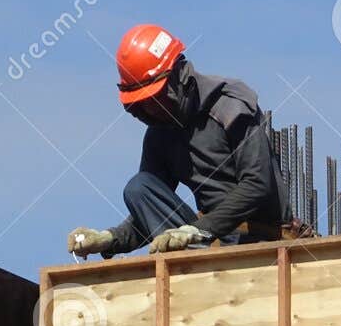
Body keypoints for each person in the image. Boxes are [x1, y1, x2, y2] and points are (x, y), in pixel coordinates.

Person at [67, 24, 289, 256]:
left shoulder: (230, 107)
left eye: (156, 97)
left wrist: (199, 230)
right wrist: (109, 238)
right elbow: (150, 211)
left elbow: (257, 185)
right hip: (211, 241)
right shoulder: (160, 134)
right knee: (139, 188)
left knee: (189, 221)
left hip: (263, 236)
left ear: (179, 77)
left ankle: (198, 255)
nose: (152, 109)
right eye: (144, 103)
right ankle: (193, 263)